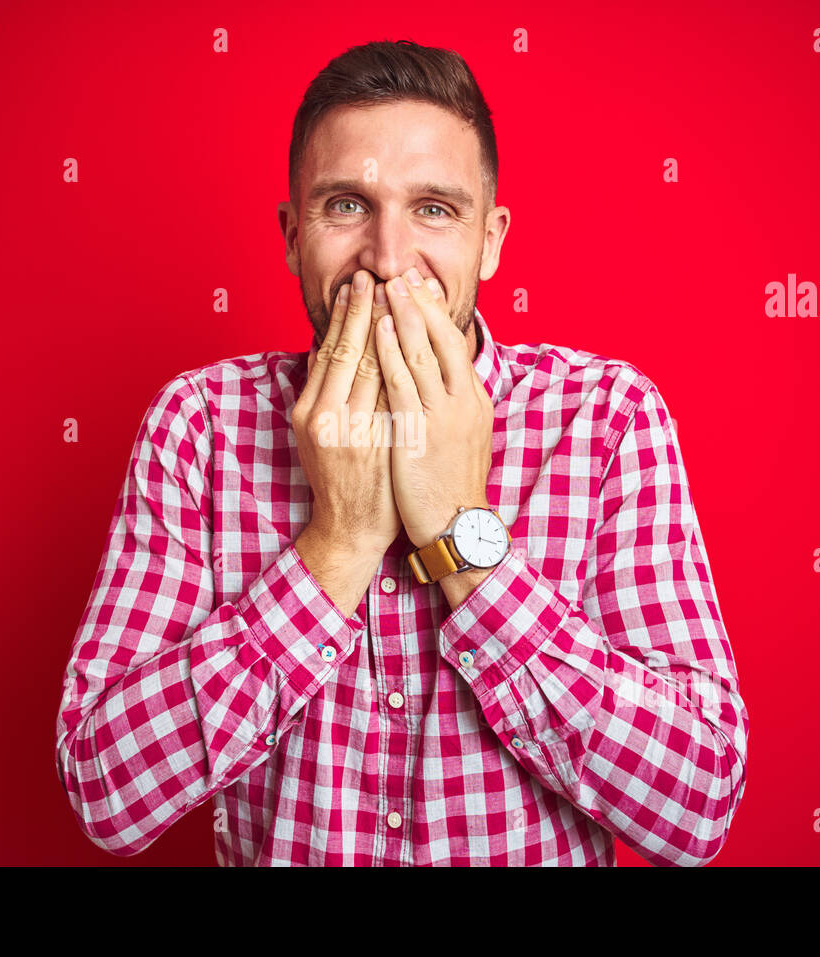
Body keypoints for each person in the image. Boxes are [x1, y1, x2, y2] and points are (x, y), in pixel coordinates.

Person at [54, 39, 749, 866]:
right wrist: (336, 546)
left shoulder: (604, 419)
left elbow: (699, 803)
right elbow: (104, 791)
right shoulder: (199, 426)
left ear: (489, 241)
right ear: (290, 236)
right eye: (347, 205)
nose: (386, 262)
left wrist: (462, 535)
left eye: (433, 210)